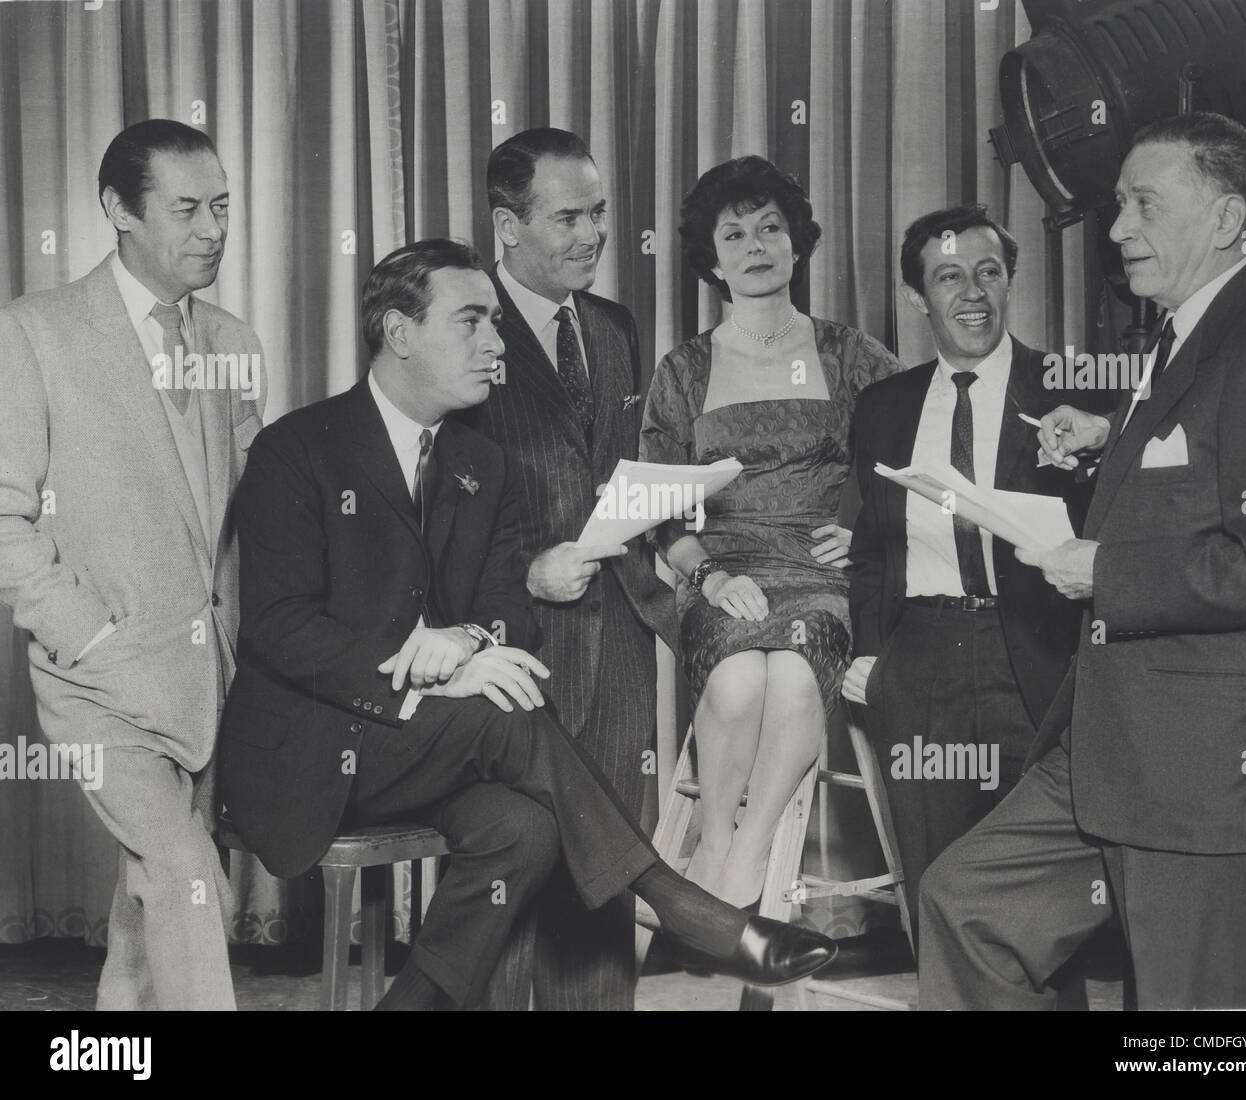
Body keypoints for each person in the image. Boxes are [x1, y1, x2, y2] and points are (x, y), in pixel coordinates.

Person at [217, 238, 836, 1011]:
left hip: (426, 746)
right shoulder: (297, 449)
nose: (497, 343)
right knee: (500, 721)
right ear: (400, 335)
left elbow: (511, 615)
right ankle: (688, 909)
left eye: (496, 324)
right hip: (306, 751)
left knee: (524, 829)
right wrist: (425, 657)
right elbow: (277, 629)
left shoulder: (481, 463)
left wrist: (471, 646)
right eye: (471, 322)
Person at [919, 112, 1246, 1009]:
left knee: (1188, 1034)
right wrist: (1107, 451)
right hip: (1107, 747)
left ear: (1224, 217)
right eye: (1118, 205)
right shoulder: (1182, 335)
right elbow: (1201, 476)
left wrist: (1104, 571)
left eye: (1142, 205)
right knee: (963, 905)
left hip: (1204, 776)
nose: (1118, 228)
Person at [0, 119, 266, 1009]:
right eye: (187, 208)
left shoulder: (234, 342)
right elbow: (4, 519)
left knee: (148, 896)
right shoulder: (33, 332)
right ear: (118, 209)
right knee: (190, 878)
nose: (213, 229)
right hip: (99, 681)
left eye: (222, 206)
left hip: (209, 674)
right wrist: (88, 636)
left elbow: (249, 510)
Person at [640, 156, 900, 908]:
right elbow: (658, 509)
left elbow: (912, 458)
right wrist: (708, 578)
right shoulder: (683, 369)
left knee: (791, 668)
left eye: (769, 228)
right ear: (712, 261)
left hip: (821, 575)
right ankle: (716, 839)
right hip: (722, 569)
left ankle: (744, 857)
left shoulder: (852, 354)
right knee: (737, 674)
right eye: (733, 234)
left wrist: (869, 535)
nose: (753, 246)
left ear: (796, 244)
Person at [842, 205, 1104, 939]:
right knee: (936, 884)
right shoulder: (883, 406)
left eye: (990, 272)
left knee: (1045, 899)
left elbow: (1116, 519)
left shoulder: (1069, 388)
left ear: (1010, 281)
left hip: (1037, 655)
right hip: (920, 665)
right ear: (919, 298)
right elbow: (870, 548)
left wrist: (1087, 460)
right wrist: (870, 652)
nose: (973, 293)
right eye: (949, 276)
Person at [461, 127, 678, 1010]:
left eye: (599, 213)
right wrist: (527, 574)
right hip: (513, 646)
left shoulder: (616, 327)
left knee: (610, 861)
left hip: (617, 636)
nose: (593, 234)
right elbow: (440, 510)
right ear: (507, 226)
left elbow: (619, 473)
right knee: (518, 863)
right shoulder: (464, 326)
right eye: (568, 217)